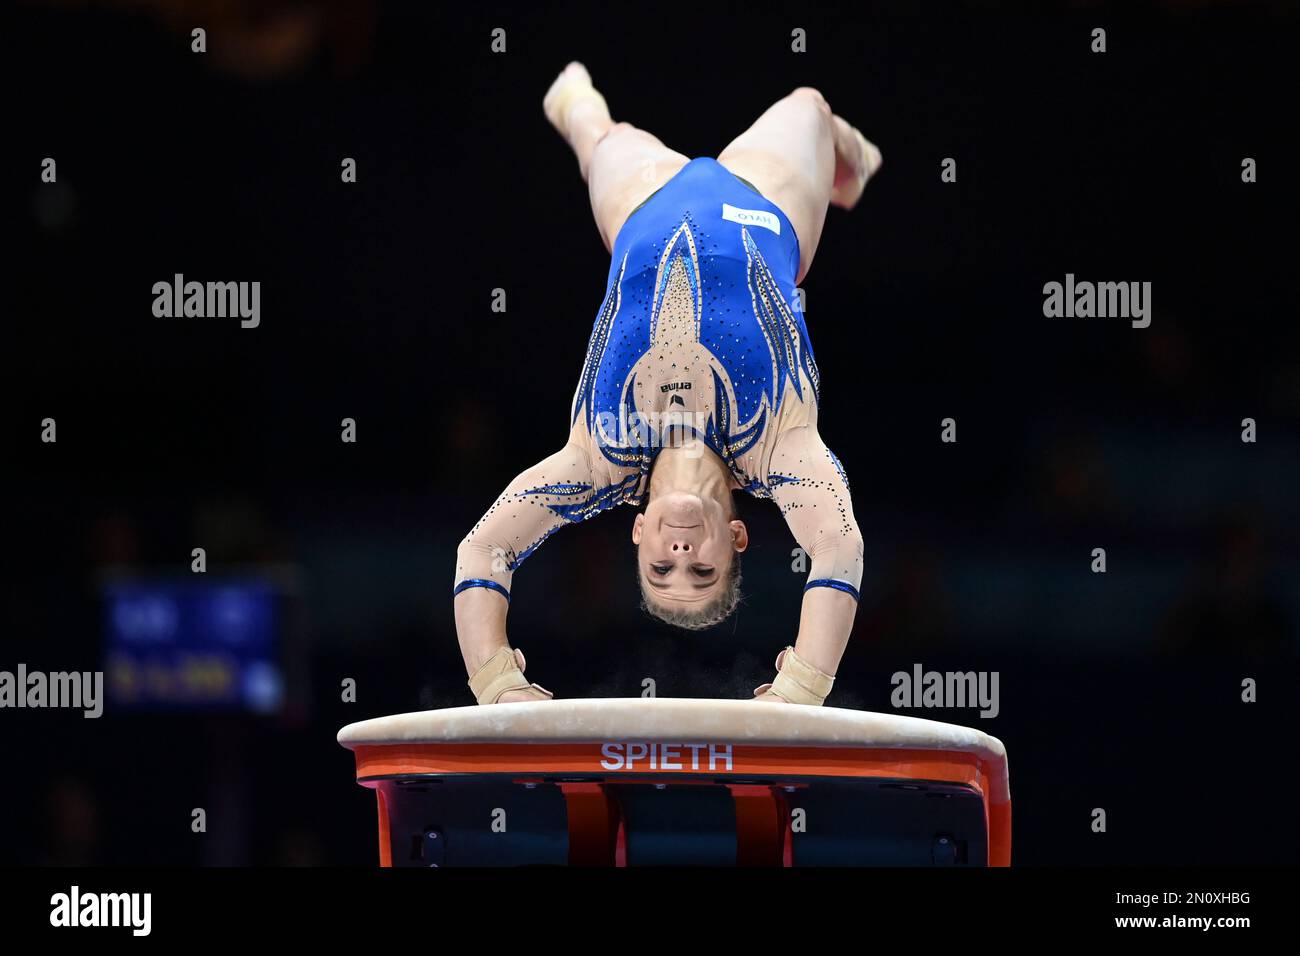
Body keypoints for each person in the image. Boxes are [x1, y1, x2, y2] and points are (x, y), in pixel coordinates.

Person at [454, 63, 881, 707]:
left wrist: (496, 684)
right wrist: (799, 690)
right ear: (737, 539)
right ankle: (850, 161)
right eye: (701, 569)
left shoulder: (597, 458)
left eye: (662, 568)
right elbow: (837, 545)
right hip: (764, 204)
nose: (681, 552)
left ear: (638, 532)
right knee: (809, 102)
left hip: (641, 206)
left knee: (596, 128)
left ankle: (577, 108)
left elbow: (482, 549)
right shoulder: (777, 450)